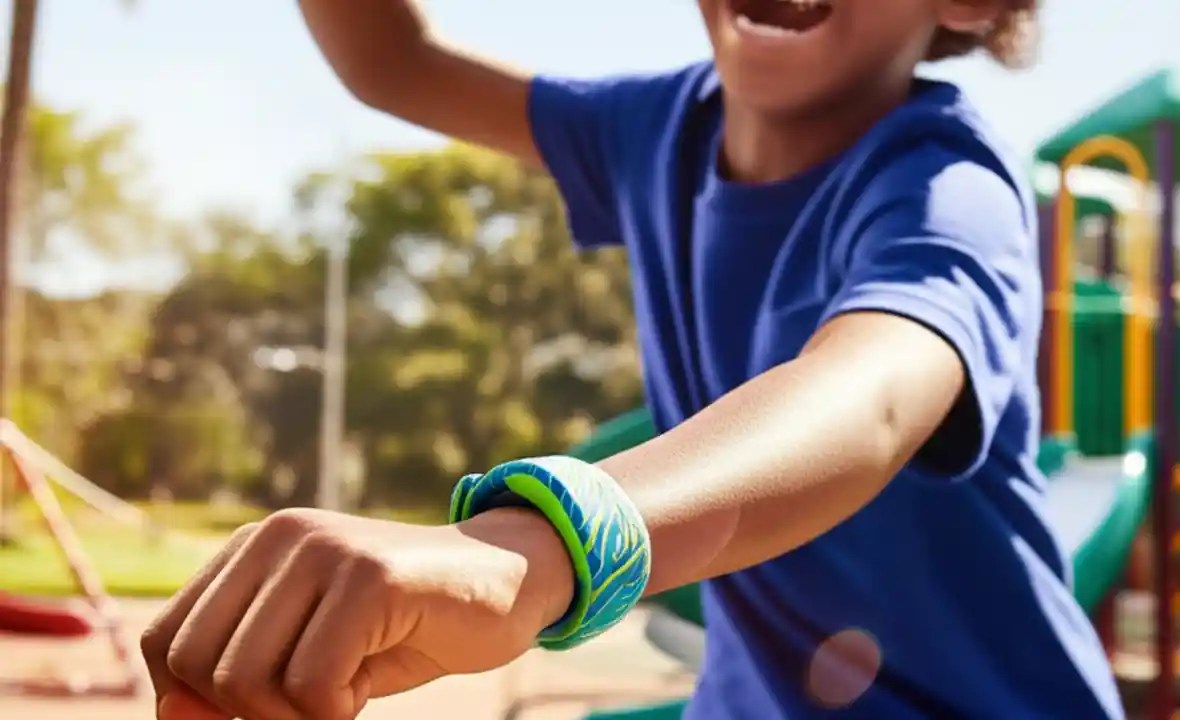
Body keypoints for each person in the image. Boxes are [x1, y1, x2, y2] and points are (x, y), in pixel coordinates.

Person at [142, 1, 1126, 719]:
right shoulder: (656, 130)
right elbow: (394, 58)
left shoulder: (946, 189)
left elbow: (866, 400)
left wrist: (534, 550)